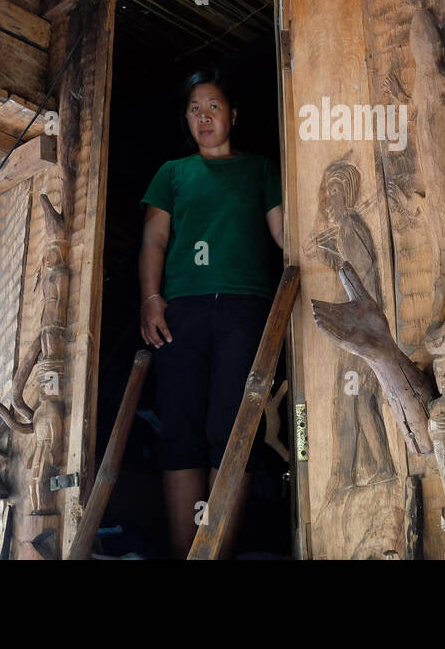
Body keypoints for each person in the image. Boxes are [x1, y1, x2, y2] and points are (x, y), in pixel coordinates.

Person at [138, 67, 283, 558]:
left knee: (233, 427)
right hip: (183, 311)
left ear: (233, 115)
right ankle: (187, 552)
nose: (204, 116)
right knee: (180, 429)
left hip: (245, 309)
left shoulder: (260, 169)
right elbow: (155, 239)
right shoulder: (173, 173)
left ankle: (213, 550)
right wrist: (151, 297)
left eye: (214, 107)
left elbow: (285, 234)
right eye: (195, 108)